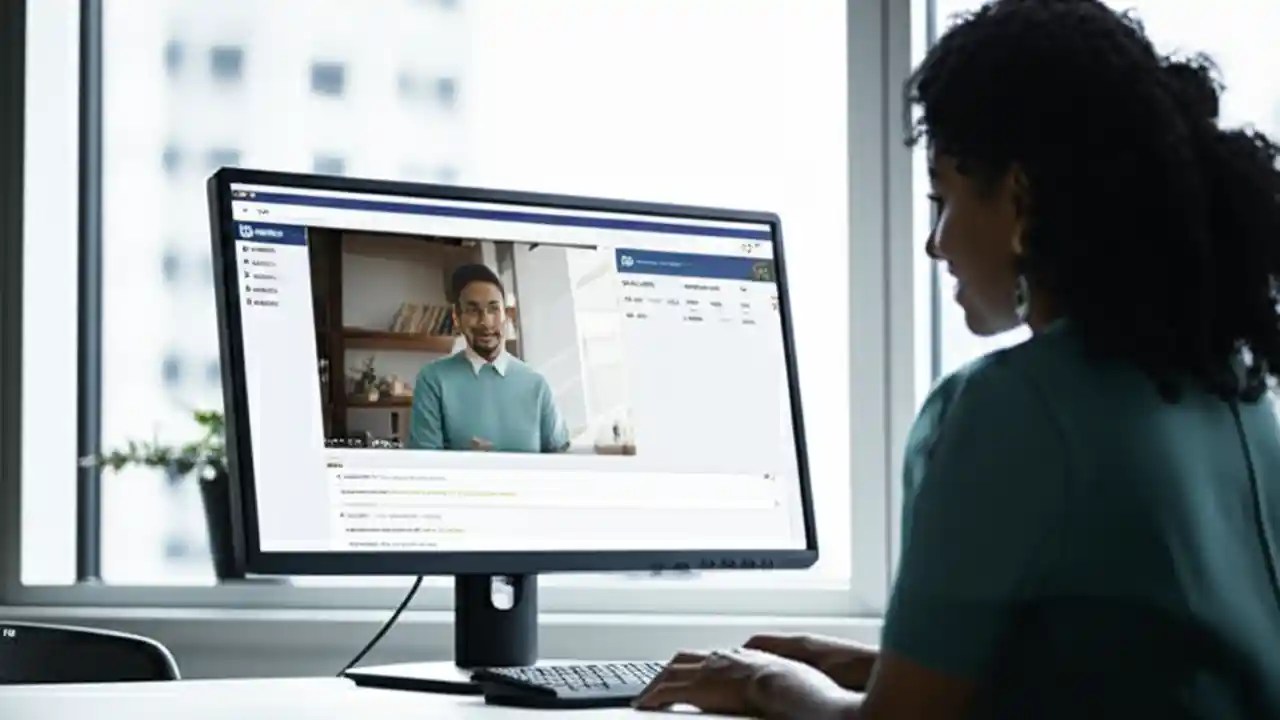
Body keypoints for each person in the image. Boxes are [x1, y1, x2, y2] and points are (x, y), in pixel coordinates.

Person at [634, 1, 1280, 718]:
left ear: (1018, 198)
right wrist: (849, 664)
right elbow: (1117, 681)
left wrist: (762, 683)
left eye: (941, 198)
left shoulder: (1008, 408)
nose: (934, 243)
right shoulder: (1237, 396)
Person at [408, 263, 570, 453]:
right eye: (473, 310)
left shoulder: (537, 384)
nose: (485, 322)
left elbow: (561, 459)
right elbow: (425, 466)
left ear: (507, 315)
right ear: (456, 318)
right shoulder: (433, 380)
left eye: (493, 309)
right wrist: (468, 462)